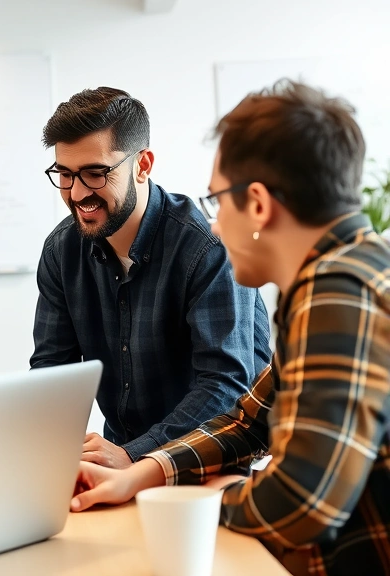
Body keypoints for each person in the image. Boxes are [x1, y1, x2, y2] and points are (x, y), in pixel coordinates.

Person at [70, 80, 389, 576]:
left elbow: (304, 503)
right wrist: (143, 474)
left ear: (258, 205)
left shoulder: (339, 293)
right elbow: (249, 420)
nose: (214, 226)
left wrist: (213, 500)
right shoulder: (349, 275)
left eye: (219, 201)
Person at [32, 87, 271, 468]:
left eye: (95, 174)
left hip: (209, 462)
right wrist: (55, 456)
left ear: (142, 165)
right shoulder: (62, 250)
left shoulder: (206, 249)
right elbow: (52, 371)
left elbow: (226, 385)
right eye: (64, 174)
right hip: (119, 463)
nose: (77, 193)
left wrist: (134, 454)